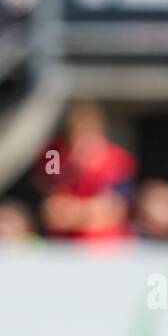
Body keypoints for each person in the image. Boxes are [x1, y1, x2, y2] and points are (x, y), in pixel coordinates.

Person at [35, 103, 137, 241]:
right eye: (77, 133)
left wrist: (76, 214)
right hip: (61, 245)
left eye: (88, 133)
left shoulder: (119, 160)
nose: (82, 141)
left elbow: (116, 210)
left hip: (104, 245)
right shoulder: (54, 155)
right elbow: (51, 209)